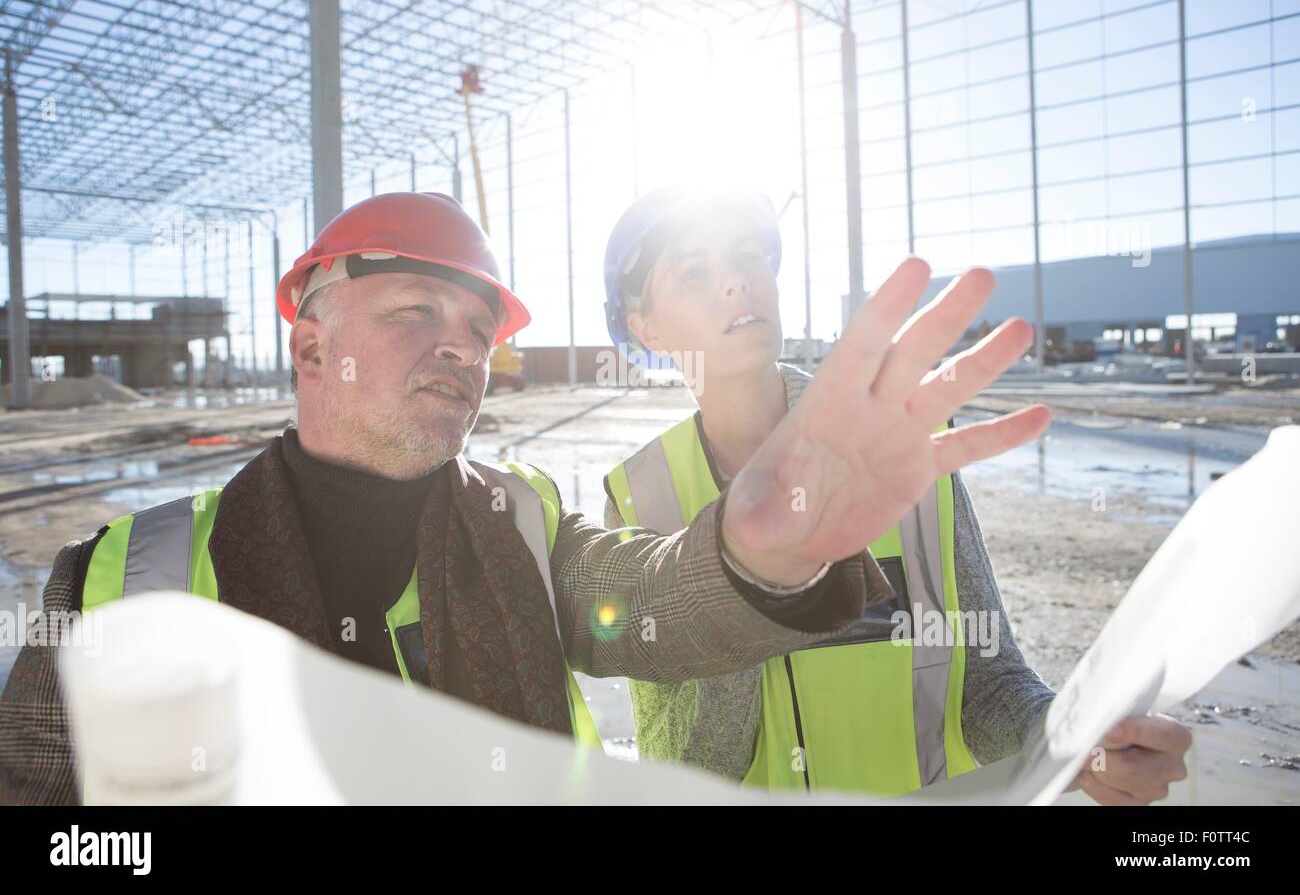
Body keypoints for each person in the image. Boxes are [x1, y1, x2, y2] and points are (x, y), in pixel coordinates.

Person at [0, 190, 1050, 805]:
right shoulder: (114, 582)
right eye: (417, 309)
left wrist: (759, 552)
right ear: (312, 346)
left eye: (478, 326)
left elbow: (646, 600)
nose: (462, 341)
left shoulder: (527, 520)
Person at [600, 186, 1191, 803]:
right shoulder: (640, 497)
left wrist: (1067, 745)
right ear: (648, 329)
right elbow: (682, 763)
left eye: (746, 256)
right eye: (693, 271)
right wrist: (750, 578)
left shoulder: (899, 441)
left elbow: (988, 682)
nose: (734, 283)